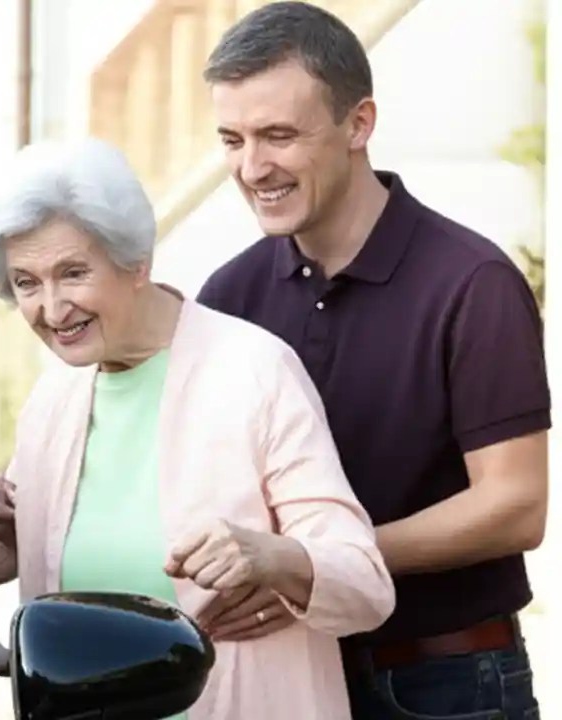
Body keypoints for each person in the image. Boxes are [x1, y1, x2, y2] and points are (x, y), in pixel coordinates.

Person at [0, 136, 395, 719]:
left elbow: (364, 581)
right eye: (26, 282)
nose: (53, 308)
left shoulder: (253, 371)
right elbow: (9, 528)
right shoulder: (55, 398)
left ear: (136, 262)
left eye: (73, 273)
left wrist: (273, 557)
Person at [192, 3, 548, 718]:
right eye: (233, 139)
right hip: (288, 678)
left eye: (279, 135)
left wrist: (319, 563)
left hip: (447, 684)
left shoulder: (472, 283)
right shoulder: (228, 295)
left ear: (359, 124)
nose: (252, 168)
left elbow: (515, 506)